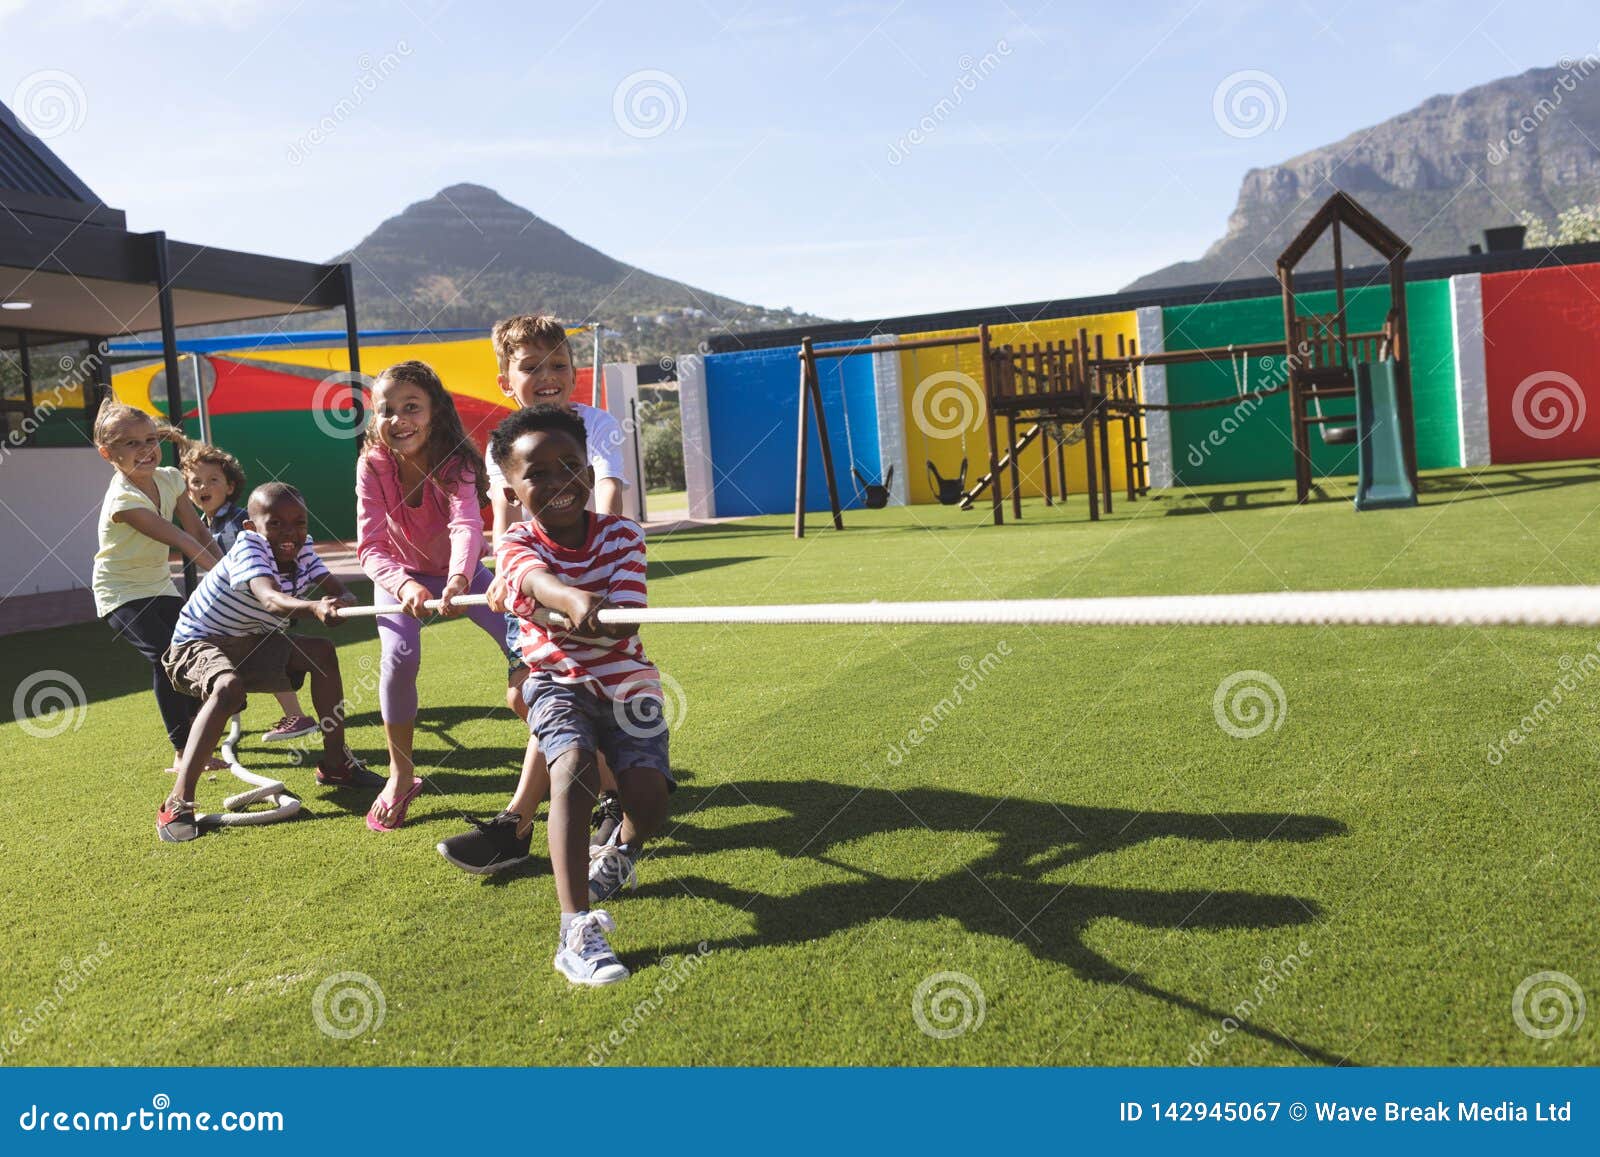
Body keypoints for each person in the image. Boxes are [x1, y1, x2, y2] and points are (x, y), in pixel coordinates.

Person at [447, 405, 671, 985]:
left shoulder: (623, 535)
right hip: (557, 681)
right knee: (571, 767)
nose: (557, 481)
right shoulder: (517, 540)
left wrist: (540, 607)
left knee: (647, 799)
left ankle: (620, 853)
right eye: (537, 473)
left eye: (570, 465)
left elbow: (622, 625)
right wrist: (566, 600)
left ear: (590, 473)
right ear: (514, 490)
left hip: (628, 681)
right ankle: (575, 928)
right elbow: (530, 578)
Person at [157, 482, 379, 842]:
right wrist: (315, 606)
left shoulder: (303, 550)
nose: (289, 532)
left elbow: (339, 590)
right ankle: (177, 802)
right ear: (252, 528)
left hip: (251, 643)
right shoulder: (249, 547)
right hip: (195, 645)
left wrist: (340, 600)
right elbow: (271, 599)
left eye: (299, 523)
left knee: (321, 651)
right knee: (227, 688)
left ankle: (337, 766)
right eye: (275, 523)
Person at [355, 360, 519, 832]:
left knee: (523, 640)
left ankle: (559, 748)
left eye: (412, 407)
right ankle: (401, 774)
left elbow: (466, 523)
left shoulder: (457, 461)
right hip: (398, 576)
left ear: (435, 412)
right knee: (399, 659)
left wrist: (459, 579)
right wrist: (404, 585)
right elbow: (369, 547)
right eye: (387, 410)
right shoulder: (372, 463)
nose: (399, 419)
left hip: (461, 573)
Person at [91, 402, 223, 774]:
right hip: (120, 592)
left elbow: (198, 531)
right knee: (167, 657)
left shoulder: (169, 478)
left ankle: (199, 742)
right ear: (108, 454)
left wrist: (231, 570)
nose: (146, 449)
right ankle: (183, 752)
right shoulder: (124, 501)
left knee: (195, 652)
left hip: (159, 585)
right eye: (132, 443)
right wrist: (234, 580)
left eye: (151, 439)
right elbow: (182, 539)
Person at [182, 441, 317, 743]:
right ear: (188, 492)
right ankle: (208, 723)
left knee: (262, 654)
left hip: (259, 603)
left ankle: (294, 716)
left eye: (213, 480)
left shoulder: (236, 523)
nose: (204, 486)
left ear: (230, 487)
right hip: (244, 608)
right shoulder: (208, 522)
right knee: (232, 660)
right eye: (196, 482)